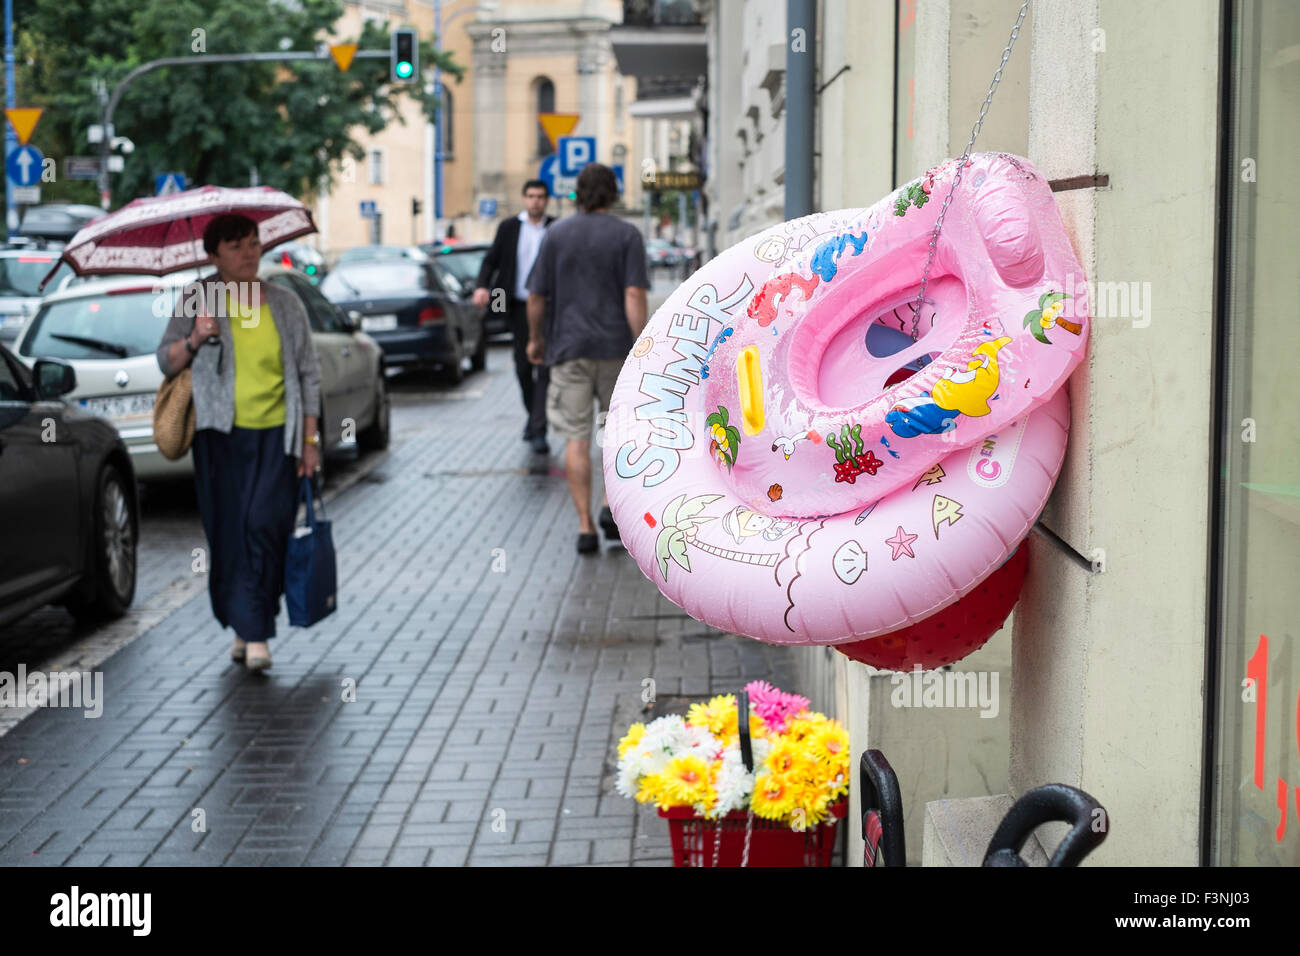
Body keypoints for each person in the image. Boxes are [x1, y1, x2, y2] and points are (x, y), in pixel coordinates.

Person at [156, 214, 323, 672]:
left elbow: (309, 374)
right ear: (213, 255)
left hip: (278, 436)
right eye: (236, 246)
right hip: (219, 439)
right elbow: (165, 361)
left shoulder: (285, 303)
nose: (249, 253)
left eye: (253, 243)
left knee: (268, 527)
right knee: (231, 533)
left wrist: (310, 441)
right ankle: (250, 631)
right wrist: (195, 338)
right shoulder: (198, 299)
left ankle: (252, 625)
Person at [525, 163, 649, 553]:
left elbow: (536, 296)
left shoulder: (556, 234)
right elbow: (633, 295)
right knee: (614, 437)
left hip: (568, 351)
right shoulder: (627, 235)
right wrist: (643, 344)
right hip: (616, 352)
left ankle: (584, 529)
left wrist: (535, 339)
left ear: (577, 193)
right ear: (612, 194)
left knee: (576, 439)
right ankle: (609, 506)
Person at [473, 179, 555, 454]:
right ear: (524, 198)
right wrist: (482, 286)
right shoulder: (509, 228)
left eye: (541, 196)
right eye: (531, 196)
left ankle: (538, 428)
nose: (536, 201)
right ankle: (534, 417)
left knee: (544, 368)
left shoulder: (555, 228)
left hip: (549, 308)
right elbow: (491, 260)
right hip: (518, 307)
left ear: (547, 200)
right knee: (522, 367)